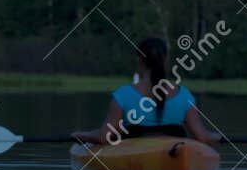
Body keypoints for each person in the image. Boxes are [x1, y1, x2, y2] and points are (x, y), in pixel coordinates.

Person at [71, 37, 221, 146]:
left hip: (135, 160)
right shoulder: (184, 95)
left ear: (140, 60)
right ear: (164, 60)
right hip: (172, 155)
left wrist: (81, 135)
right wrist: (218, 136)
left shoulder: (123, 95)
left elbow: (103, 137)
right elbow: (202, 137)